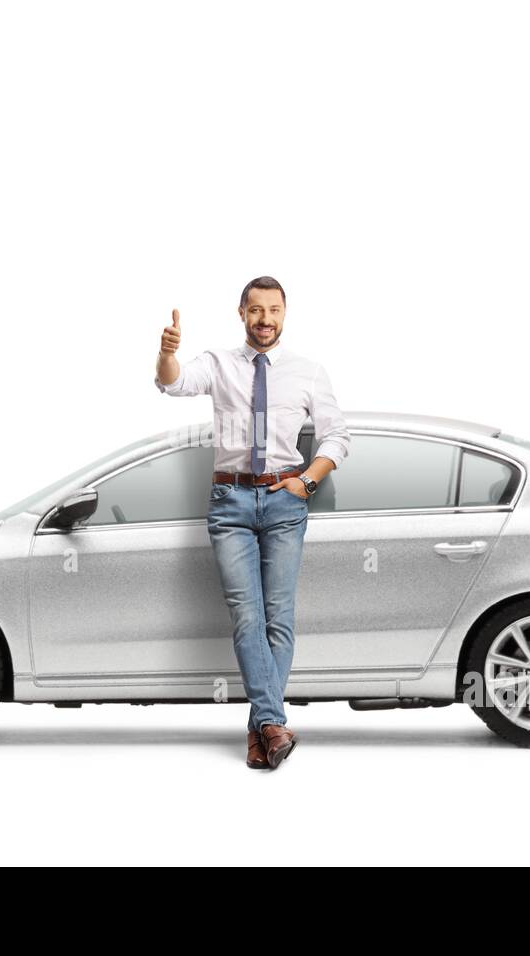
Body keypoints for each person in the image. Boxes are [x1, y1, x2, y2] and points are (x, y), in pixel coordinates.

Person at [154, 276, 350, 769]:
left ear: (285, 314)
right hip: (231, 500)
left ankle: (262, 728)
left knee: (278, 618)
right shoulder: (219, 364)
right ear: (241, 313)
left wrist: (306, 482)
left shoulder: (308, 372)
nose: (266, 320)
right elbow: (173, 382)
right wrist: (167, 353)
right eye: (256, 310)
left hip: (285, 500)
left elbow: (336, 436)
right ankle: (271, 725)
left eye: (274, 310)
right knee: (247, 615)